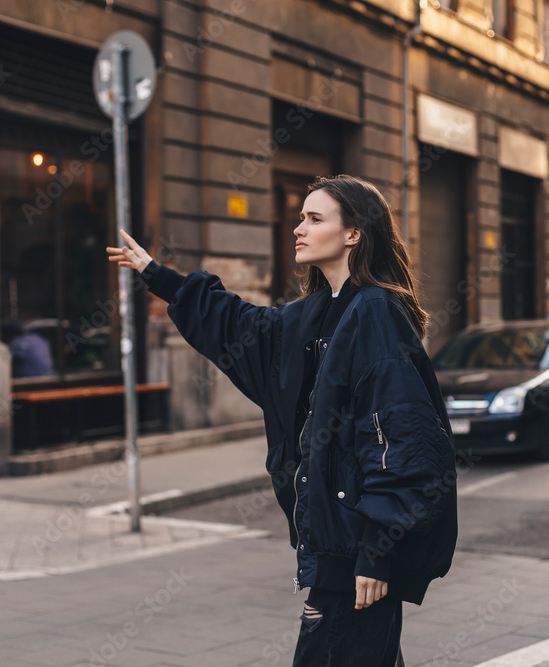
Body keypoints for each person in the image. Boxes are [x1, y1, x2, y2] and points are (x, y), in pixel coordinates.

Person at [107, 175, 458, 667]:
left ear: (354, 233)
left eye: (315, 219)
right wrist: (159, 277)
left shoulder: (376, 313)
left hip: (354, 554)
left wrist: (379, 550)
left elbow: (403, 440)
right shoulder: (312, 316)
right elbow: (240, 327)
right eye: (301, 217)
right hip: (335, 548)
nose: (299, 228)